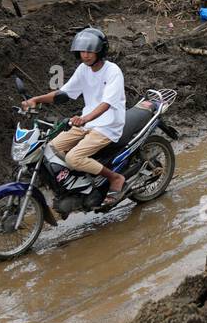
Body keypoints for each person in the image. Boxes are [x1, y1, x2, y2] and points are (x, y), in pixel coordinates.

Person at [21, 28, 130, 207]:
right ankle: (78, 184)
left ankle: (115, 177)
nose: (85, 55)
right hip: (87, 122)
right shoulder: (83, 69)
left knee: (73, 158)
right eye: (82, 51)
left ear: (100, 51)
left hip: (108, 125)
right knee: (51, 148)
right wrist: (36, 99)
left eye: (89, 51)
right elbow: (64, 94)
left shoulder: (113, 71)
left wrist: (85, 118)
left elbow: (106, 104)